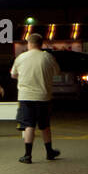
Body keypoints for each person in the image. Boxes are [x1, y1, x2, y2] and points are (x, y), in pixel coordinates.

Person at [11, 32, 61, 163]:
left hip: (25, 96)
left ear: (29, 43)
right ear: (41, 44)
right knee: (45, 125)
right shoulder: (47, 57)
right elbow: (57, 72)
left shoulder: (21, 58)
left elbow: (13, 74)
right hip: (43, 96)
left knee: (29, 125)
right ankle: (49, 151)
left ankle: (27, 155)